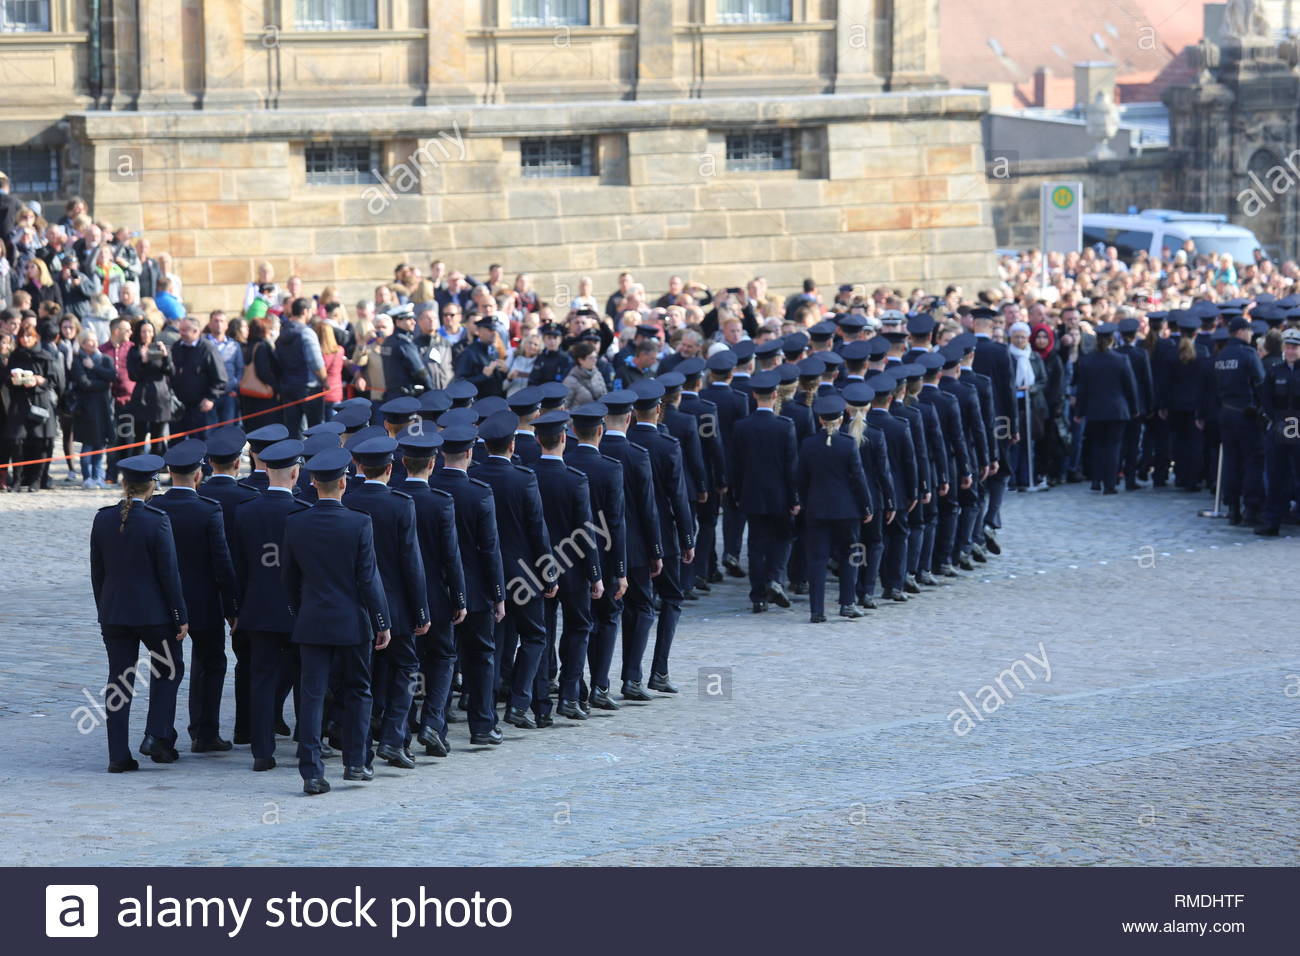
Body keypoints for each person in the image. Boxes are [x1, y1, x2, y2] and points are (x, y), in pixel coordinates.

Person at [283, 446, 392, 794]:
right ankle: (356, 762)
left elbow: (289, 579)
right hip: (352, 621)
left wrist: (300, 613)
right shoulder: (359, 522)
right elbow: (368, 579)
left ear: (313, 482)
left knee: (313, 694)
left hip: (313, 619)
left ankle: (312, 771)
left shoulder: (295, 522)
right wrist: (382, 621)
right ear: (344, 483)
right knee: (358, 690)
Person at [89, 454, 188, 771]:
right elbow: (169, 575)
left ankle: (117, 755)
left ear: (123, 484)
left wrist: (103, 609)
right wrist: (180, 615)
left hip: (115, 613)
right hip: (153, 614)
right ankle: (155, 734)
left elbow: (97, 573)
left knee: (119, 679)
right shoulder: (157, 520)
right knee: (169, 669)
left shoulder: (103, 519)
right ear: (152, 486)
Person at [341, 435, 430, 768]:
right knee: (406, 669)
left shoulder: (347, 500)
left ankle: (363, 748)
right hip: (396, 606)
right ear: (391, 468)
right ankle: (393, 737)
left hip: (357, 606)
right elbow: (412, 563)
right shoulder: (401, 503)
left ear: (357, 467)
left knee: (362, 678)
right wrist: (421, 610)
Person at [152, 440, 239, 753]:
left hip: (163, 603)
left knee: (165, 667)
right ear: (199, 474)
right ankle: (204, 732)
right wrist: (232, 606)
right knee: (212, 663)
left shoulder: (155, 507)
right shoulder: (207, 510)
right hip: (203, 603)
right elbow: (222, 562)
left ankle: (160, 733)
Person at [472, 411, 556, 729]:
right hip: (524, 572)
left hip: (486, 573)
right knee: (534, 636)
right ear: (512, 445)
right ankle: (520, 703)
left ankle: (488, 709)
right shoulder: (524, 478)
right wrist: (548, 573)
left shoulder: (476, 477)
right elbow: (538, 531)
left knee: (494, 641)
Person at [231, 438, 310, 771]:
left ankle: (262, 750)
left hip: (258, 608)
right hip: (299, 610)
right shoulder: (303, 512)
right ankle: (307, 745)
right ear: (295, 475)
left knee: (261, 678)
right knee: (306, 678)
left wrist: (236, 608)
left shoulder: (245, 511)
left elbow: (237, 566)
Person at [428, 425, 507, 748]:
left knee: (439, 659)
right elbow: (490, 548)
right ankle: (482, 723)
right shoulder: (479, 492)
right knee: (481, 656)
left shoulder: (429, 488)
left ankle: (436, 722)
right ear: (470, 453)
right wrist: (498, 593)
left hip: (436, 589)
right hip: (474, 589)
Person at [391, 429, 467, 757]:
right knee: (443, 657)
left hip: (399, 596)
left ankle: (406, 722)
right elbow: (452, 556)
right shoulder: (440, 502)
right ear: (433, 464)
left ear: (403, 462)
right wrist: (460, 597)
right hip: (436, 593)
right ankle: (433, 721)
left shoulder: (393, 497)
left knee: (409, 662)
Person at [626, 379, 695, 695]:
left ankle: (633, 673)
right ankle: (659, 670)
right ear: (659, 409)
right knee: (671, 598)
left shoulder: (622, 442)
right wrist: (687, 537)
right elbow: (678, 497)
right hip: (663, 538)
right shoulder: (667, 446)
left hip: (627, 538)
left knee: (634, 606)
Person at [598, 390, 663, 701]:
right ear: (629, 418)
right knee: (641, 609)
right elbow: (648, 509)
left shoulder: (590, 451)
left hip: (592, 547)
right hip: (634, 548)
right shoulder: (637, 455)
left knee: (600, 615)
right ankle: (632, 678)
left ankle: (596, 682)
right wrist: (656, 551)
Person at [563, 402, 627, 711]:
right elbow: (615, 523)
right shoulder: (611, 468)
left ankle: (573, 685)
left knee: (573, 625)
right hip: (600, 556)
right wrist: (619, 569)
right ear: (600, 431)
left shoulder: (563, 462)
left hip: (564, 559)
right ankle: (599, 684)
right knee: (606, 618)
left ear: (572, 431)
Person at [199, 427, 260, 746]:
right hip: (245, 590)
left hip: (202, 592)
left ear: (208, 463)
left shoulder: (199, 497)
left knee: (204, 660)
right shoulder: (249, 498)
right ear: (239, 463)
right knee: (246, 659)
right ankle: (245, 727)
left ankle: (203, 729)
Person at [728, 369, 799, 613]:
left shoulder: (742, 427)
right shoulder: (784, 426)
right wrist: (795, 497)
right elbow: (791, 466)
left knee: (756, 544)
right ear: (776, 394)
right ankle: (775, 578)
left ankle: (758, 595)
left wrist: (735, 494)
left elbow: (735, 465)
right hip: (779, 495)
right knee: (783, 538)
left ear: (754, 395)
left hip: (751, 494)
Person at [797, 395, 872, 623]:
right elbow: (858, 479)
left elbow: (801, 479)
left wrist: (806, 502)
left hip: (817, 509)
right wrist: (866, 506)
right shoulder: (848, 443)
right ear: (842, 419)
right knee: (851, 556)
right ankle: (847, 603)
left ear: (820, 420)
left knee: (817, 559)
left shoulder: (808, 444)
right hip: (847, 510)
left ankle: (816, 610)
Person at [1073, 323, 1139, 495]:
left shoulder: (1087, 360)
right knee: (1113, 447)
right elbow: (1130, 387)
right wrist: (1134, 408)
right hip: (1117, 410)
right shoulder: (1121, 359)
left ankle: (1096, 480)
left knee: (1097, 446)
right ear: (1111, 340)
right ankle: (1110, 483)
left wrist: (1079, 412)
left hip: (1095, 410)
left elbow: (1082, 389)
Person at [1213, 315, 1267, 524]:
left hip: (1226, 412)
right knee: (1253, 460)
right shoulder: (1248, 354)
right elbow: (1260, 384)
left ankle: (1233, 507)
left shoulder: (1221, 356)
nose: (1251, 334)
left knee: (1231, 461)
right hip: (1246, 414)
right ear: (1241, 331)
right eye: (1249, 330)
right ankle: (1251, 508)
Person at [3, 323, 59, 491]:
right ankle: (18, 480)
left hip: (40, 401)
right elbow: (7, 379)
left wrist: (38, 380)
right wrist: (13, 380)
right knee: (17, 441)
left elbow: (52, 381)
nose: (25, 339)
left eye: (29, 336)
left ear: (36, 338)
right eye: (23, 336)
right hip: (20, 402)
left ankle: (37, 480)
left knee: (40, 442)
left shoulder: (45, 356)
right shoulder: (15, 356)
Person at [1256, 327, 1300, 536]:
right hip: (1281, 427)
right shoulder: (1275, 370)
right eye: (1288, 347)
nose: (1291, 351)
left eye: (1295, 348)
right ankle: (1273, 520)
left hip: (1298, 427)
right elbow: (1266, 398)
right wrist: (1275, 420)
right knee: (1276, 475)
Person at [70, 328, 116, 488]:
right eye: (89, 340)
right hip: (86, 408)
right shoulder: (78, 361)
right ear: (82, 344)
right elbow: (84, 383)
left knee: (100, 444)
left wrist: (94, 368)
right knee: (88, 444)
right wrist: (103, 384)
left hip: (103, 407)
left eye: (94, 339)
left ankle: (98, 476)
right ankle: (87, 477)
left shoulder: (104, 359)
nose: (93, 342)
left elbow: (112, 376)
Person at [170, 316, 228, 438]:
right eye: (180, 330)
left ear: (196, 331)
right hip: (180, 406)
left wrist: (210, 398)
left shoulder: (208, 349)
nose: (181, 333)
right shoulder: (176, 347)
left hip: (201, 408)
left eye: (185, 330)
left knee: (202, 444)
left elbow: (220, 378)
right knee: (178, 444)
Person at [1114, 317, 1154, 492]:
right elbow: (1147, 381)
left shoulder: (1116, 353)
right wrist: (1150, 405)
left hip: (1119, 405)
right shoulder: (1140, 354)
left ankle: (1113, 475)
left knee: (1119, 442)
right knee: (1132, 443)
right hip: (1137, 406)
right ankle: (1130, 478)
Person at [126, 318, 173, 454]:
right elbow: (133, 376)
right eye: (143, 331)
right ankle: (139, 472)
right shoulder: (134, 351)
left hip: (160, 397)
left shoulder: (159, 347)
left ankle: (155, 473)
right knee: (139, 438)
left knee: (157, 438)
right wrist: (143, 361)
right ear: (138, 333)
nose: (147, 334)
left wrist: (165, 356)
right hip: (142, 396)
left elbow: (170, 371)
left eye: (150, 331)